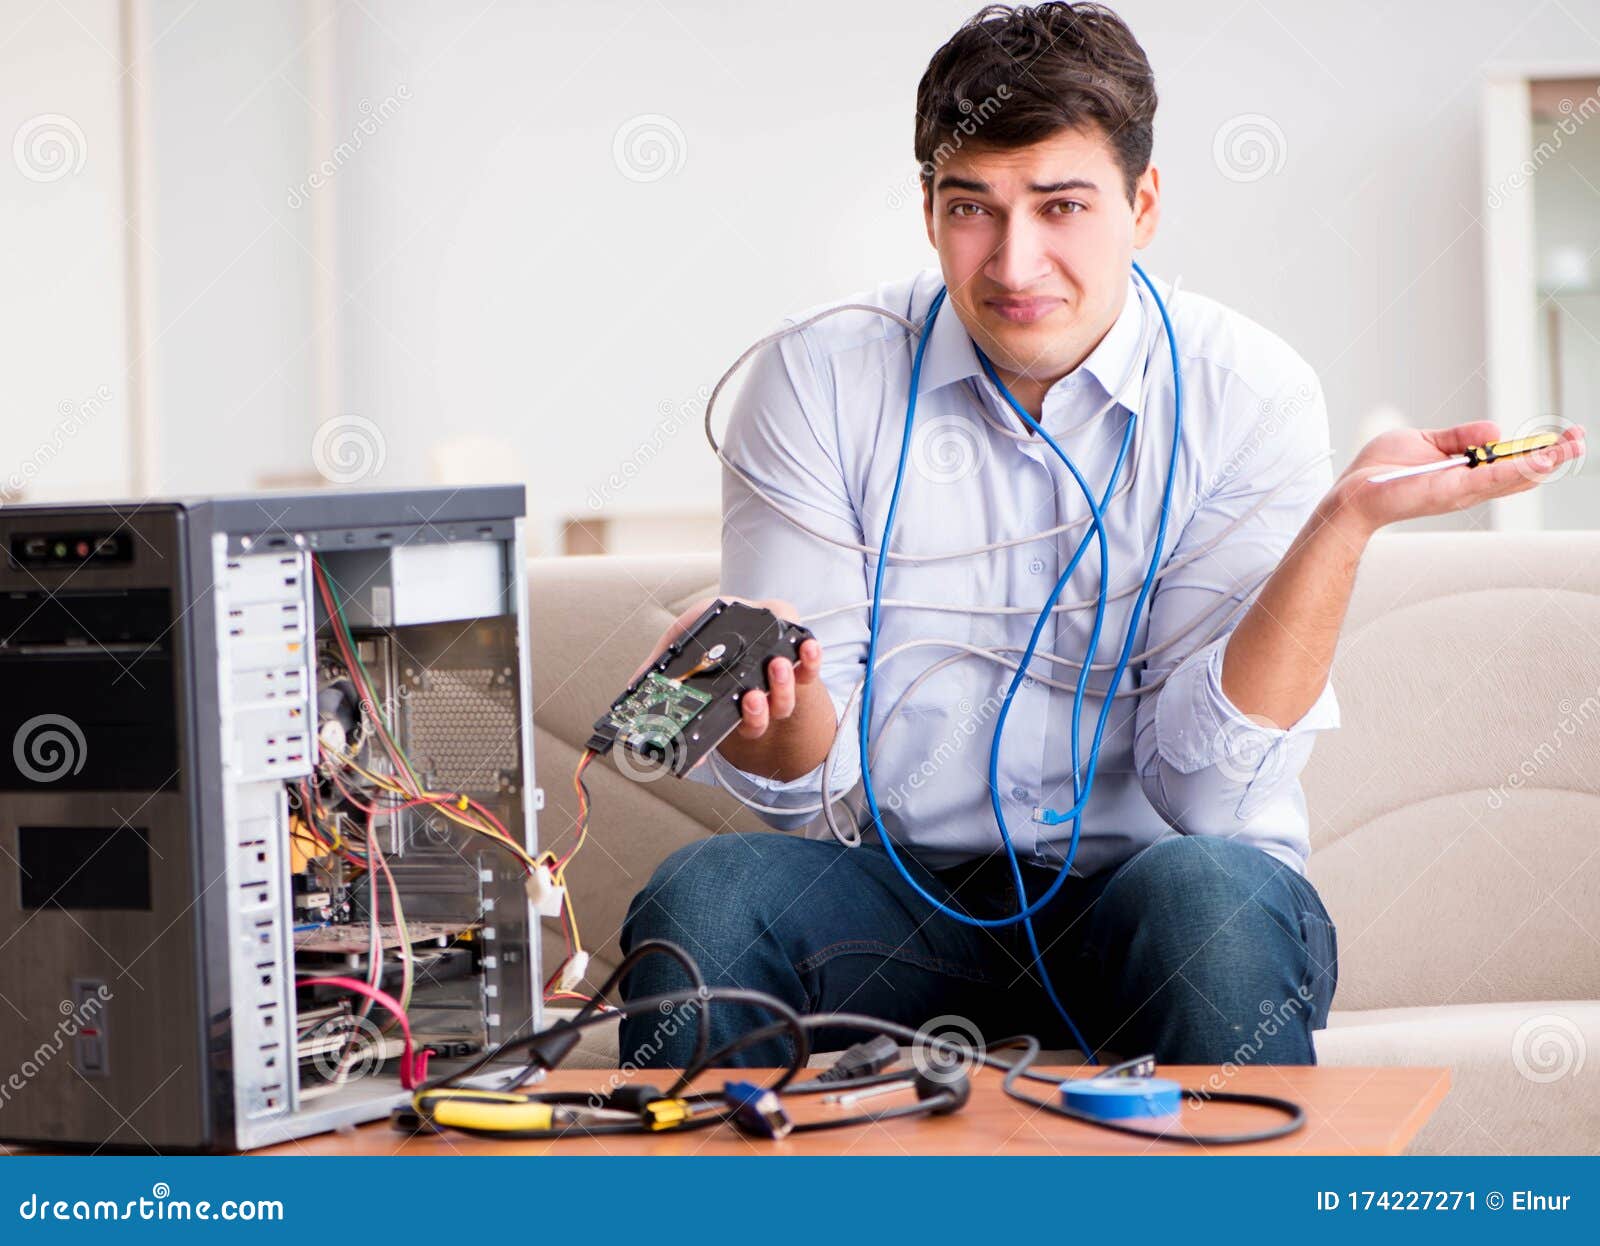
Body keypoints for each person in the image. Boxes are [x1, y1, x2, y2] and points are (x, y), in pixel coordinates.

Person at [616, 2, 1585, 1070]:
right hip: (901, 903)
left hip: (1156, 901)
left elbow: (1208, 797)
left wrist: (1341, 524)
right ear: (928, 211)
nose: (1015, 264)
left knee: (1207, 901)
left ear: (1143, 204)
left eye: (1062, 206)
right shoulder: (815, 378)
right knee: (708, 899)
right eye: (972, 208)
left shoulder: (1247, 393)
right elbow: (806, 788)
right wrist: (773, 703)